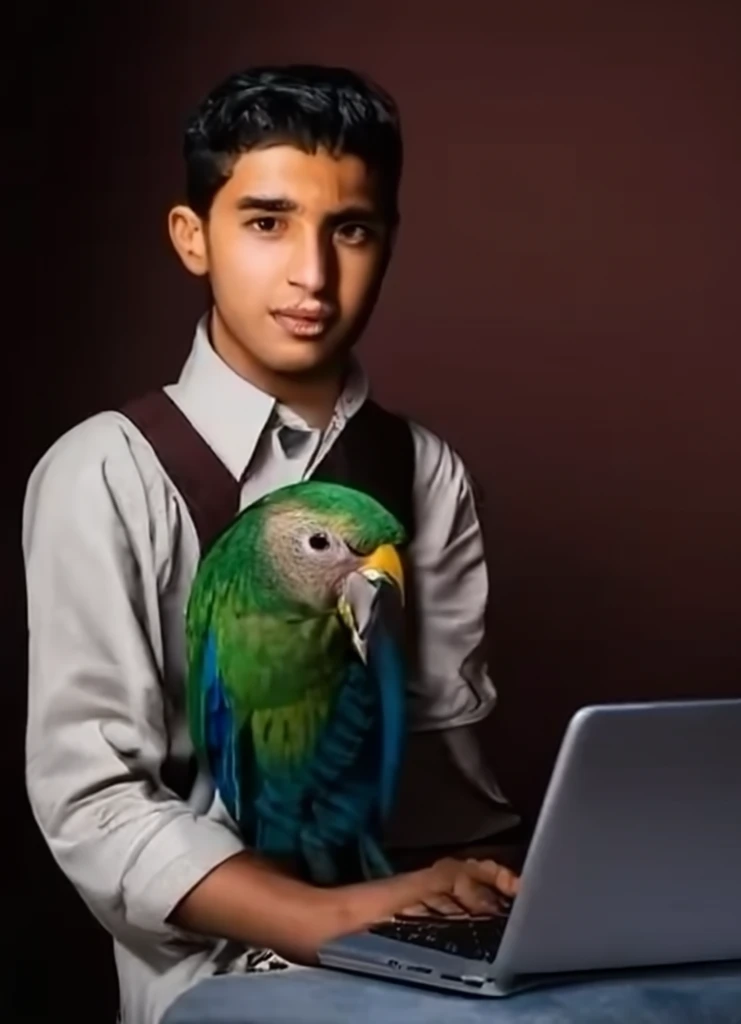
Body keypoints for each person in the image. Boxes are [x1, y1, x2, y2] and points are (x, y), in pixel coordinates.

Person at [22, 64, 521, 1024]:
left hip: (412, 936)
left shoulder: (426, 471)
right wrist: (328, 916)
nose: (312, 274)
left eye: (352, 230)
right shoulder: (107, 473)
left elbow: (436, 777)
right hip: (224, 973)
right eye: (266, 222)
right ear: (191, 238)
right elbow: (94, 806)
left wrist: (500, 890)